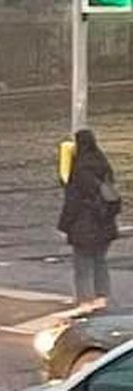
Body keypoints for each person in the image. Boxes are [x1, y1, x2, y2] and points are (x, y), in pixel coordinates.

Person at [58, 129, 121, 307]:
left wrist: (64, 225)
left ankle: (85, 299)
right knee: (100, 260)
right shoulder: (104, 166)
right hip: (105, 224)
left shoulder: (78, 171)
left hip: (83, 225)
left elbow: (72, 203)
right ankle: (102, 296)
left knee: (83, 264)